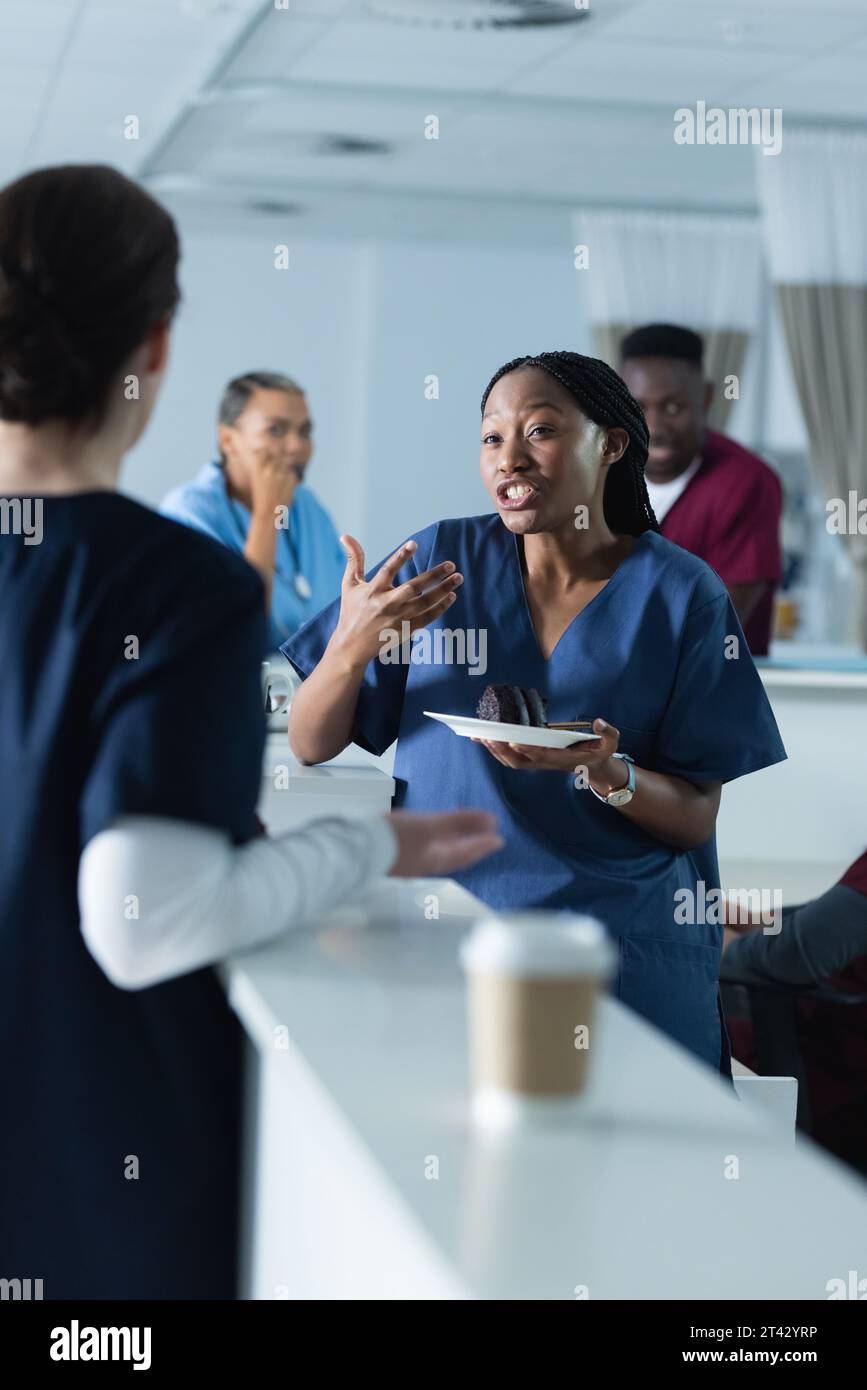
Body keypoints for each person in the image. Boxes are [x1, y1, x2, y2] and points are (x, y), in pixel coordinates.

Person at [0, 164, 501, 1300]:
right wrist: (373, 847)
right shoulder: (173, 586)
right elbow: (144, 917)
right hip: (91, 1166)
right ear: (157, 350)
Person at [283, 350, 787, 1076]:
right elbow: (309, 743)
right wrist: (349, 649)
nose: (509, 458)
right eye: (491, 438)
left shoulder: (681, 594)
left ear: (610, 444)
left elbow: (693, 816)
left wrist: (607, 771)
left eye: (540, 431)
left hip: (618, 947)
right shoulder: (438, 559)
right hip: (447, 929)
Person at [620, 323, 783, 657]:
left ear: (706, 398)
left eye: (674, 407)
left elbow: (715, 622)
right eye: (639, 408)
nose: (654, 427)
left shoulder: (747, 482)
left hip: (716, 692)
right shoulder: (601, 474)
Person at [161, 371, 346, 651]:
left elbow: (344, 616)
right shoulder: (188, 512)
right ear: (228, 441)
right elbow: (236, 633)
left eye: (305, 431)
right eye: (276, 430)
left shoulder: (307, 506)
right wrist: (266, 515)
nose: (297, 446)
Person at [722, 849, 867, 1174]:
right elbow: (830, 922)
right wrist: (770, 925)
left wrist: (712, 944)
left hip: (830, 1087)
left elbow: (796, 955)